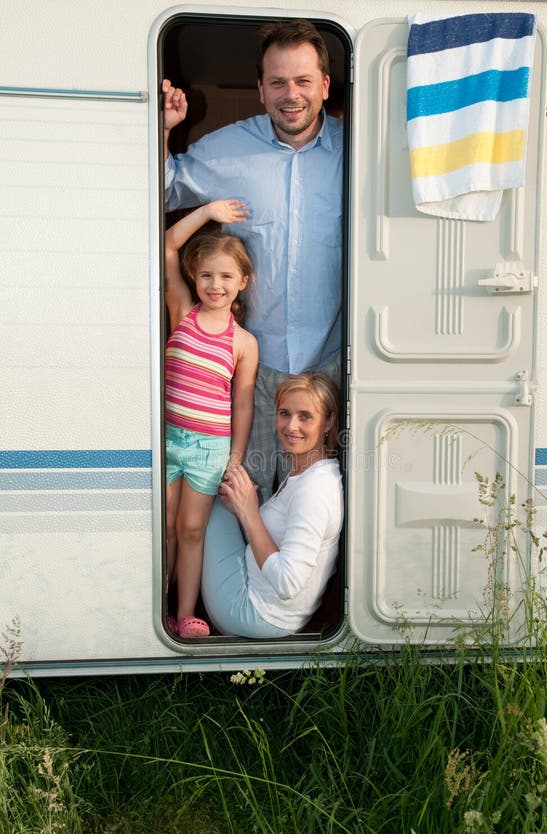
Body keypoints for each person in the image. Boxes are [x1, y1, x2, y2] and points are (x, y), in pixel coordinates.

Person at [162, 19, 343, 501]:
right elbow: (160, 190)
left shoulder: (357, 151)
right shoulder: (227, 149)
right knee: (247, 492)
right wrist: (162, 131)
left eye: (304, 80)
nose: (292, 94)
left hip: (332, 367)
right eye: (278, 82)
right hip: (253, 371)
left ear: (325, 85)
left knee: (324, 501)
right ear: (261, 90)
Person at [164, 199, 259, 638]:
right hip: (167, 440)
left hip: (209, 447)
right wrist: (208, 212)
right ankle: (155, 609)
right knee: (163, 525)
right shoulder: (182, 312)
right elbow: (169, 245)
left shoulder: (244, 342)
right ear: (193, 278)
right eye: (206, 274)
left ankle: (185, 615)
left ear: (243, 281)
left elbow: (241, 402)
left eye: (225, 276)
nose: (214, 285)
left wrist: (235, 456)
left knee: (191, 528)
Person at [200, 372, 343, 638]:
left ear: (328, 422)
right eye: (284, 413)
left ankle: (180, 610)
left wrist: (249, 512)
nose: (291, 426)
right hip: (266, 606)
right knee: (223, 500)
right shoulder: (307, 471)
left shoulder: (314, 490)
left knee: (205, 500)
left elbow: (288, 583)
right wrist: (241, 508)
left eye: (305, 416)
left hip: (255, 613)